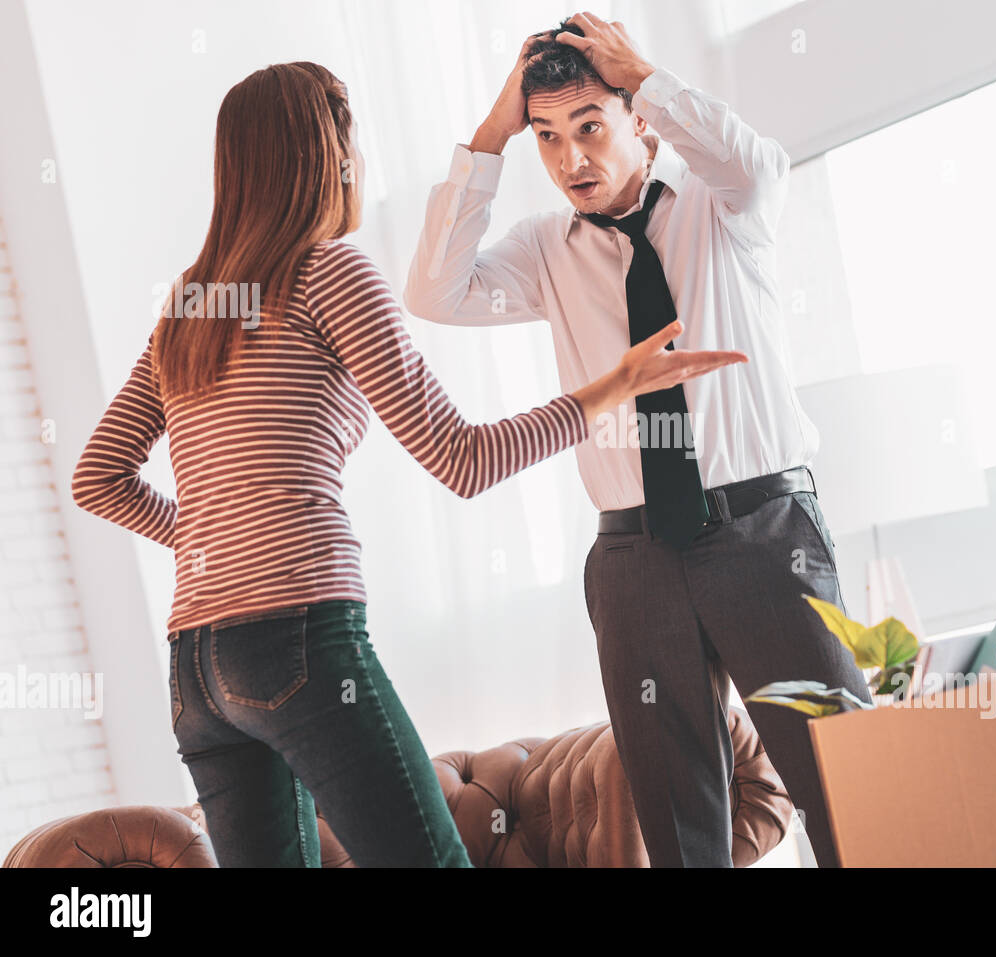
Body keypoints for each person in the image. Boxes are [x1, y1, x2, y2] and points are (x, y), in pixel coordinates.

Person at [70, 60, 744, 868]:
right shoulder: (330, 271)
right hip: (297, 637)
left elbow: (97, 477)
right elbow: (463, 458)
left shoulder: (190, 303)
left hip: (198, 670)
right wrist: (614, 387)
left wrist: (206, 539)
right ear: (331, 153)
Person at [404, 14, 871, 867]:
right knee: (677, 824)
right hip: (632, 563)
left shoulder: (725, 211)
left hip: (762, 537)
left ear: (641, 124)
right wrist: (490, 137)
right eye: (547, 137)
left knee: (852, 789)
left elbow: (758, 162)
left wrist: (644, 72)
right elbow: (435, 289)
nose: (569, 159)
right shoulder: (545, 250)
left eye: (589, 127)